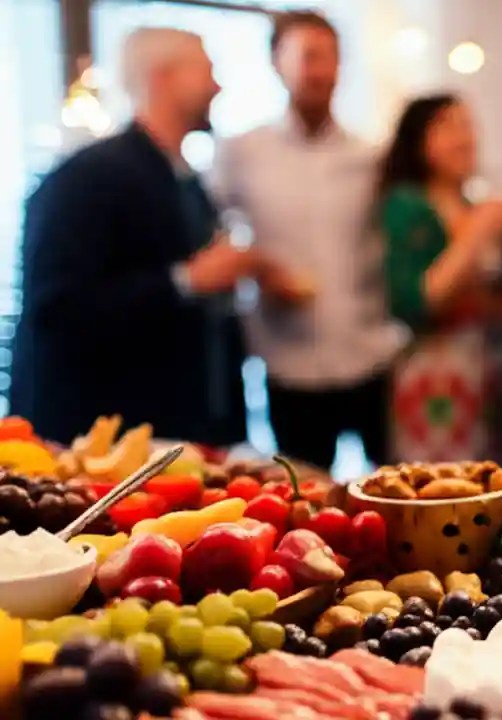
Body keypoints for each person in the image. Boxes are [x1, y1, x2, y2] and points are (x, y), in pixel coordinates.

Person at [12, 28, 277, 445]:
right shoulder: (85, 178)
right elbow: (57, 307)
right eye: (206, 70)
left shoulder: (186, 179)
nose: (218, 87)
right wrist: (188, 279)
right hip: (106, 449)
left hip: (181, 438)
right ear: (162, 77)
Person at [213, 11, 404, 470]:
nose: (321, 71)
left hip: (369, 356)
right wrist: (258, 266)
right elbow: (213, 238)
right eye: (308, 57)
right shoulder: (240, 153)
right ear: (277, 63)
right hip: (288, 366)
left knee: (388, 495)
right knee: (301, 501)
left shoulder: (371, 156)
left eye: (331, 58)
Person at [378, 95, 502, 462]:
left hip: (484, 369)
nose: (464, 138)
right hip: (433, 377)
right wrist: (482, 226)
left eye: (468, 126)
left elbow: (488, 306)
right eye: (448, 126)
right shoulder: (408, 206)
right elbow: (420, 300)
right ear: (419, 138)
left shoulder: (472, 206)